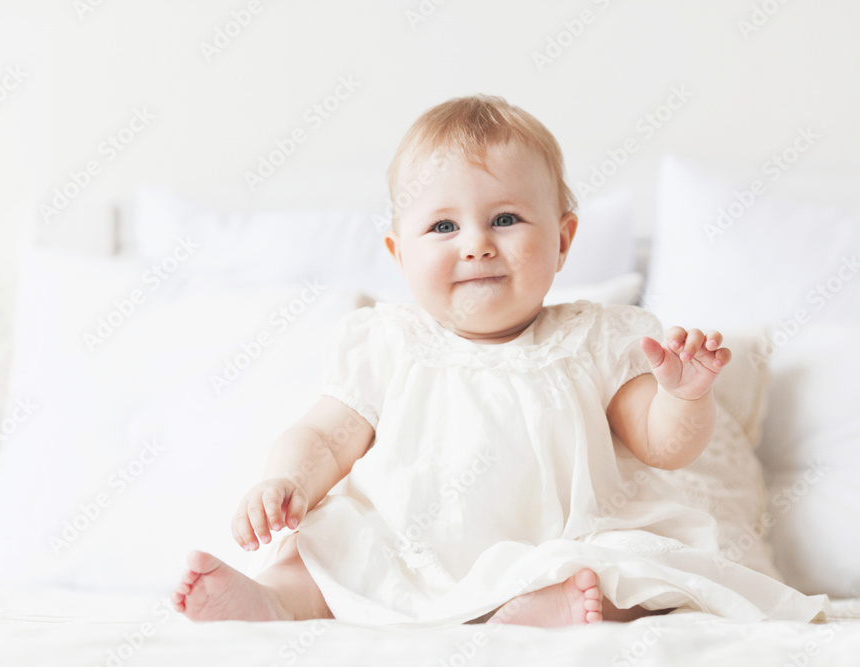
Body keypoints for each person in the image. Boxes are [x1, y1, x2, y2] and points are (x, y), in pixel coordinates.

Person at [171, 94, 830, 628]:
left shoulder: (595, 339)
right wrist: (284, 481)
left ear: (564, 239)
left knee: (636, 570)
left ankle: (532, 610)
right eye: (444, 227)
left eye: (507, 218)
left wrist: (682, 397)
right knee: (322, 549)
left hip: (555, 547)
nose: (478, 245)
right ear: (399, 254)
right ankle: (271, 602)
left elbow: (661, 445)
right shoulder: (386, 342)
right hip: (408, 546)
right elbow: (322, 433)